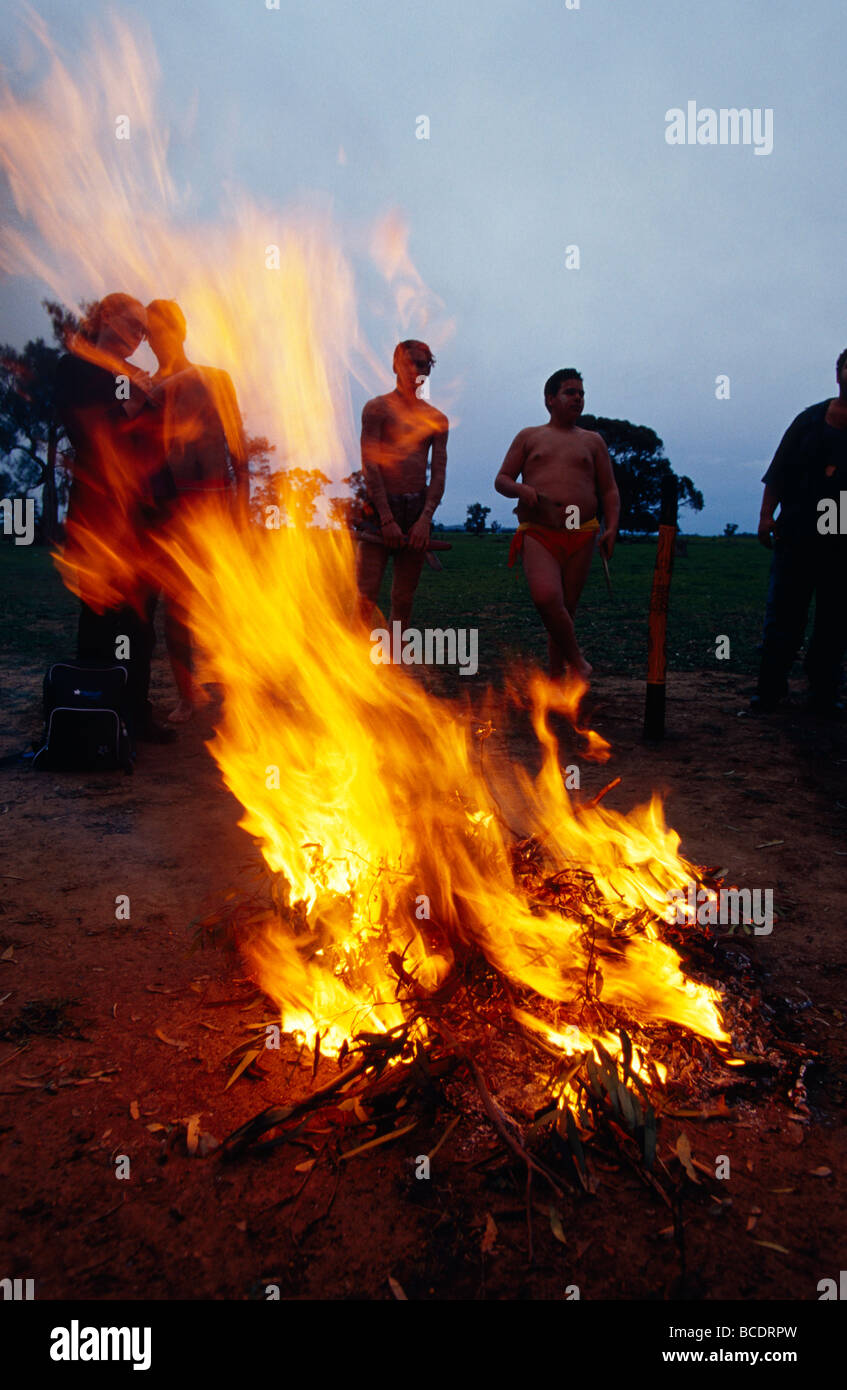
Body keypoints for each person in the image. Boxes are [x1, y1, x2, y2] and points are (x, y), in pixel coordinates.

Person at [54, 293, 175, 744]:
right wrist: (132, 398)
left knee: (141, 624)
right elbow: (91, 438)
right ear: (106, 315)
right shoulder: (77, 369)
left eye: (144, 330)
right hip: (100, 518)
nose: (140, 336)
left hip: (143, 519)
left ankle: (135, 716)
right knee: (100, 620)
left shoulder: (134, 378)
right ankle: (91, 717)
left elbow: (155, 449)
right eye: (133, 324)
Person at [145, 299, 249, 723]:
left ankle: (239, 691)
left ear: (182, 329)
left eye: (163, 329)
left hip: (213, 502)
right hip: (170, 508)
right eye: (150, 332)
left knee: (227, 602)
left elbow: (237, 445)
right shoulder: (146, 388)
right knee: (177, 607)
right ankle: (187, 697)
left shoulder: (214, 378)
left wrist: (241, 509)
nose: (156, 339)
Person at [494, 368, 619, 680]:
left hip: (583, 532)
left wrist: (612, 528)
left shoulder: (593, 441)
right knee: (547, 598)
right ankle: (578, 661)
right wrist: (522, 489)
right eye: (569, 392)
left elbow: (609, 490)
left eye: (581, 393)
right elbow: (501, 480)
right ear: (550, 399)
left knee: (564, 611)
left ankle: (555, 679)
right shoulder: (529, 436)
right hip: (540, 532)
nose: (577, 398)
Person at [752, 350, 847, 715]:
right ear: (837, 374)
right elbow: (778, 471)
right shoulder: (808, 421)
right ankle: (768, 691)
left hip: (842, 538)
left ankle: (824, 693)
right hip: (798, 530)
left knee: (835, 621)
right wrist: (765, 515)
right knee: (783, 618)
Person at [355, 340, 448, 630]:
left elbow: (439, 475)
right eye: (410, 362)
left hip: (416, 510)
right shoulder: (377, 409)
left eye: (423, 364)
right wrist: (385, 517)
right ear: (395, 364)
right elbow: (370, 465)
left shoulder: (436, 419)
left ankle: (394, 662)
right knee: (365, 596)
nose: (416, 369)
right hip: (379, 509)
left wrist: (424, 519)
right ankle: (352, 665)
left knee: (403, 598)